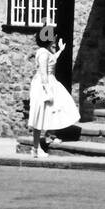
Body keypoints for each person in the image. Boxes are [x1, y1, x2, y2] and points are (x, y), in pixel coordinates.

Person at [28, 26, 80, 157]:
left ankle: (49, 135)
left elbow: (52, 61)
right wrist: (47, 91)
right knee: (39, 115)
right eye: (53, 37)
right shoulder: (43, 53)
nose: (55, 39)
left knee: (53, 110)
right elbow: (44, 74)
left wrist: (60, 51)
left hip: (50, 82)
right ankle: (35, 148)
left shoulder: (46, 52)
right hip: (43, 85)